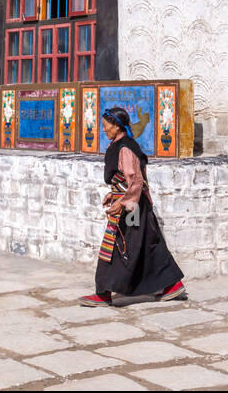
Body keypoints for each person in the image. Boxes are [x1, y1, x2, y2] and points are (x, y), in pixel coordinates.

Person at [79, 107, 187, 306]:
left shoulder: (125, 148)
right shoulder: (121, 145)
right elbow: (126, 179)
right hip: (133, 204)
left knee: (116, 246)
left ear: (117, 126)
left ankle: (103, 294)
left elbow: (136, 181)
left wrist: (120, 203)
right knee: (145, 243)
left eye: (106, 126)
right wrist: (114, 193)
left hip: (131, 208)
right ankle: (172, 286)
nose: (104, 130)